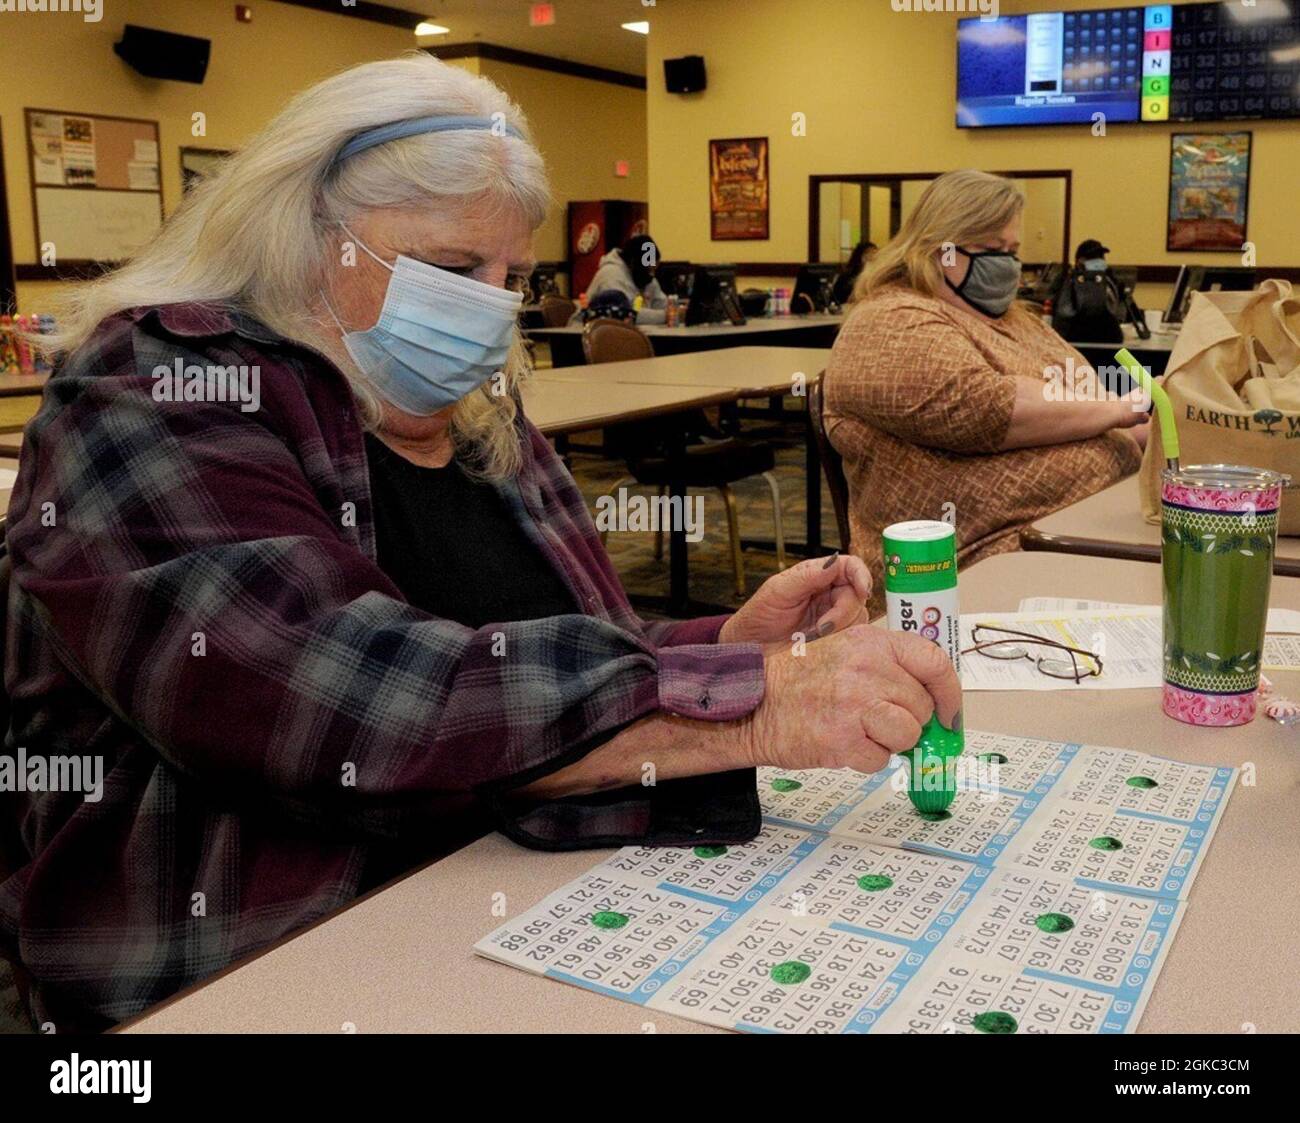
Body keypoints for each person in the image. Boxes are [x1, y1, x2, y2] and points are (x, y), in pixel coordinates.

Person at [0, 55, 960, 1031]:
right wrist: (750, 705)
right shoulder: (156, 391)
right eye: (454, 269)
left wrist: (727, 653)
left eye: (514, 276)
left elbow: (542, 665)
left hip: (499, 900)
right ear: (302, 241)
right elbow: (345, 697)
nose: (488, 308)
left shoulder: (474, 415)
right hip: (248, 966)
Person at [823, 170, 1147, 617]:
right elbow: (987, 409)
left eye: (1013, 251)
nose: (1009, 265)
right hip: (972, 568)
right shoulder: (889, 320)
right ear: (940, 247)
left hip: (1072, 536)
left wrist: (1155, 415)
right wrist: (1121, 407)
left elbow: (1089, 395)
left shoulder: (1016, 320)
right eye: (993, 250)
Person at [583, 234, 669, 324]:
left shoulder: (643, 277)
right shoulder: (611, 276)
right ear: (634, 263)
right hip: (585, 334)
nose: (652, 275)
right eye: (649, 270)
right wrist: (664, 316)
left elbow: (664, 306)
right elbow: (624, 315)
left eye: (654, 270)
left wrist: (674, 311)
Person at [832, 240, 878, 306]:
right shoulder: (848, 276)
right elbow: (840, 297)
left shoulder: (878, 276)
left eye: (874, 253)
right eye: (867, 253)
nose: (871, 257)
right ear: (859, 256)